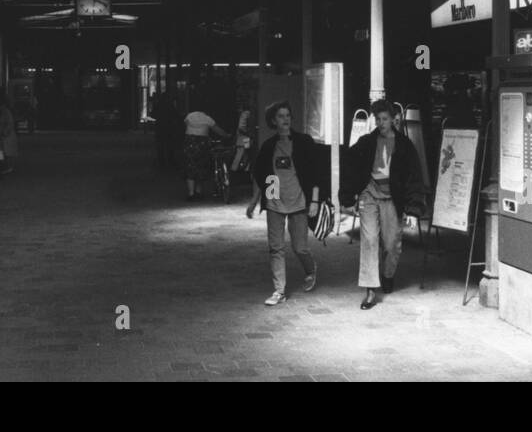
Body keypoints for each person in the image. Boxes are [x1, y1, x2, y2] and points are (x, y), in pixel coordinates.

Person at [340, 98, 425, 310]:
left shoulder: (405, 146)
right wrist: (347, 197)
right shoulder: (367, 142)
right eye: (377, 119)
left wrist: (413, 209)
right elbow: (349, 164)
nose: (381, 123)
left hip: (392, 199)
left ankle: (387, 275)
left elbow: (414, 177)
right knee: (369, 240)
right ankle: (370, 290)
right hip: (370, 195)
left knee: (391, 244)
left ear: (394, 119)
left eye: (384, 119)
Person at [247, 101, 328, 306]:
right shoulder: (268, 146)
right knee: (276, 247)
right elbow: (261, 176)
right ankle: (279, 291)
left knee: (299, 247)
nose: (285, 119)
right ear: (274, 121)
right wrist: (254, 201)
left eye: (288, 116)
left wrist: (315, 200)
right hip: (274, 199)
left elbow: (316, 174)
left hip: (299, 200)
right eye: (281, 116)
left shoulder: (303, 142)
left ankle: (311, 269)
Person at [181, 105, 228, 200]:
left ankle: (191, 194)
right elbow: (217, 130)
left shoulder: (189, 116)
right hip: (202, 143)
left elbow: (185, 124)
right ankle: (198, 192)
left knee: (190, 167)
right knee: (201, 166)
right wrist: (226, 135)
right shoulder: (207, 118)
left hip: (189, 142)